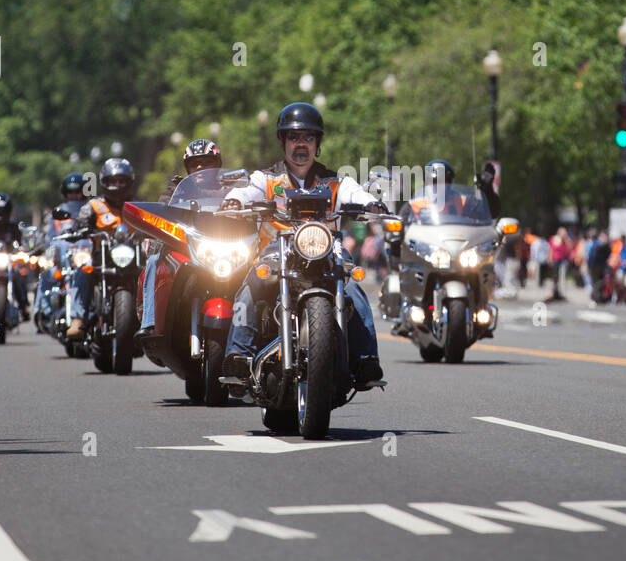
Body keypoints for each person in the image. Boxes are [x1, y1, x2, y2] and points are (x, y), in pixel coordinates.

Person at [221, 102, 388, 391]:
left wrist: (370, 202)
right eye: (294, 137)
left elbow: (355, 192)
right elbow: (248, 189)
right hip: (278, 250)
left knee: (353, 288)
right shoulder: (267, 179)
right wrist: (236, 200)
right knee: (250, 287)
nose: (301, 144)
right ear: (283, 141)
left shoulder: (335, 180)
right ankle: (239, 356)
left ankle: (365, 359)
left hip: (326, 251)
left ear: (317, 143)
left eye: (308, 137)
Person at [137, 141, 224, 336]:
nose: (200, 168)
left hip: (223, 246)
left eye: (206, 162)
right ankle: (150, 322)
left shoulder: (232, 189)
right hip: (185, 244)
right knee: (154, 258)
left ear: (217, 164)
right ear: (187, 167)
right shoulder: (177, 189)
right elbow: (161, 209)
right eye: (194, 164)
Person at [66, 158, 136, 339]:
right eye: (113, 181)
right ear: (105, 183)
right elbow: (79, 224)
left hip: (133, 258)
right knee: (83, 270)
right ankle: (78, 319)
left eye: (121, 181)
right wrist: (77, 230)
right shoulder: (95, 206)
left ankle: (153, 322)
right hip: (101, 258)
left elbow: (154, 224)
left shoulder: (138, 206)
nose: (118, 185)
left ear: (129, 182)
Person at [37, 173, 87, 324]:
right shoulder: (56, 213)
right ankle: (43, 311)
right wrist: (48, 257)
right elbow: (50, 239)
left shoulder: (88, 210)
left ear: (83, 192)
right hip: (60, 253)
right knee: (46, 271)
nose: (73, 195)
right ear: (65, 193)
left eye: (77, 192)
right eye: (70, 192)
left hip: (83, 253)